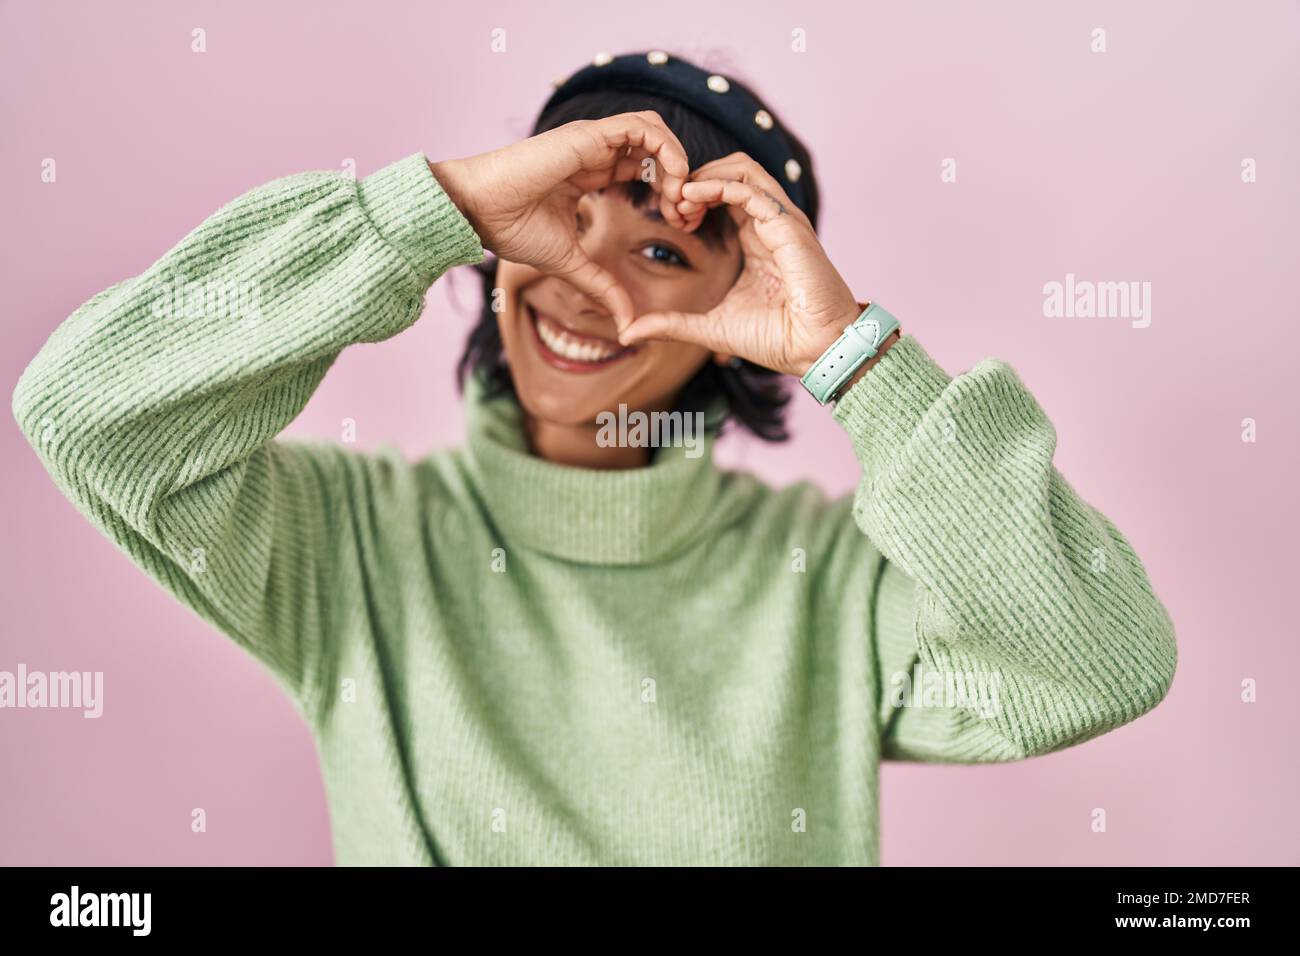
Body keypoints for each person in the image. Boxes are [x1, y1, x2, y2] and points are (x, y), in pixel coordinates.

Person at [11, 51, 1177, 865]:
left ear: (739, 319)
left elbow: (1097, 660)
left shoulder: (828, 580)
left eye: (664, 252)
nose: (589, 282)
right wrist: (438, 208)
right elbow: (89, 409)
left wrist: (848, 350)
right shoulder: (349, 542)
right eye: (563, 214)